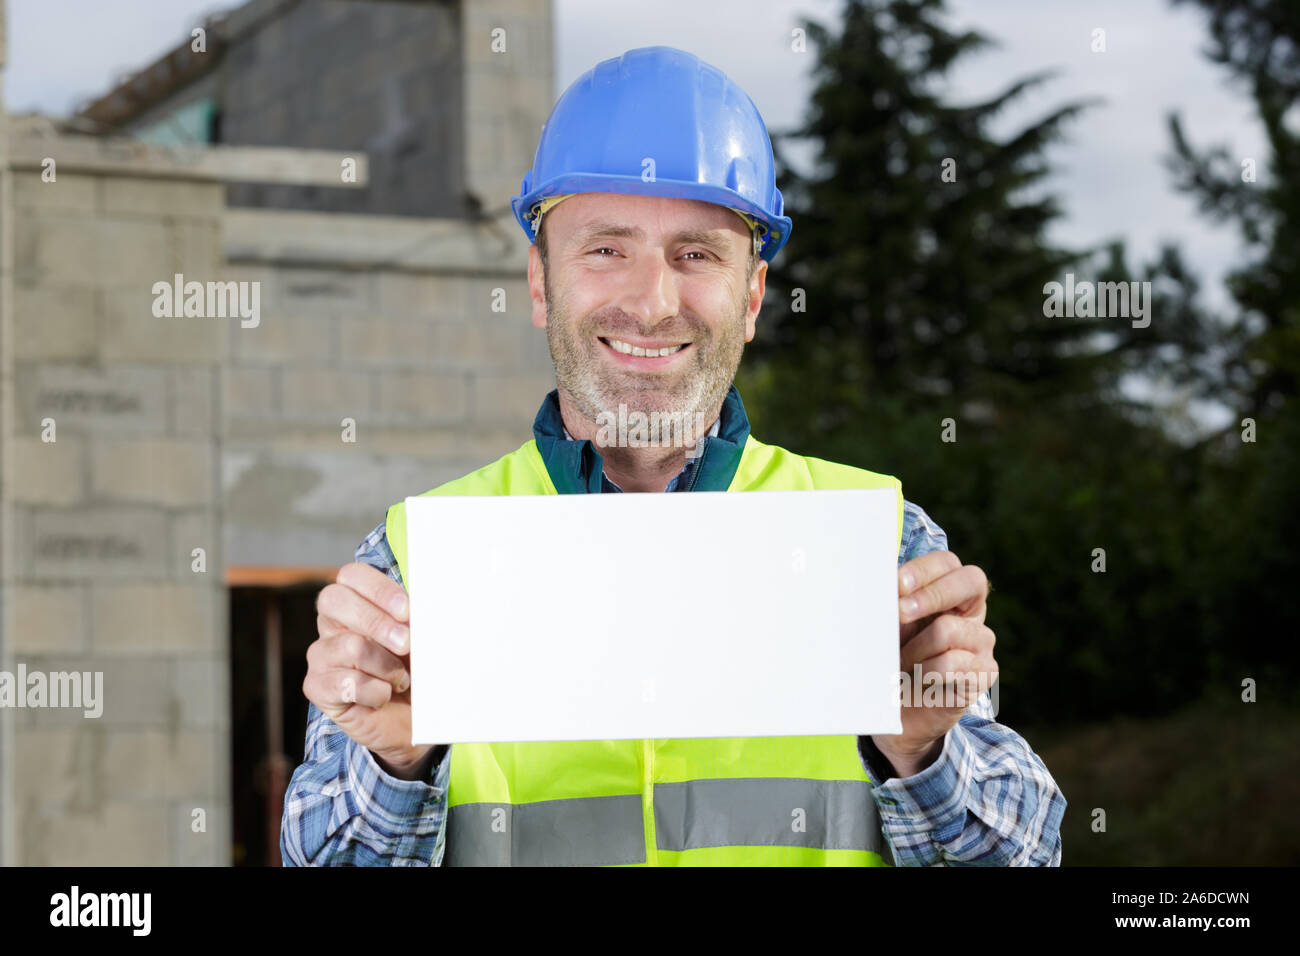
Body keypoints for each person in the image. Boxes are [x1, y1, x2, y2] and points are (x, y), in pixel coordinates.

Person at [281, 46, 1065, 866]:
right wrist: (394, 766)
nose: (652, 303)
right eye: (605, 250)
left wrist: (922, 755)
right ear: (542, 285)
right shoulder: (414, 568)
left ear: (753, 296)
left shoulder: (882, 548)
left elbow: (1024, 858)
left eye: (696, 254)